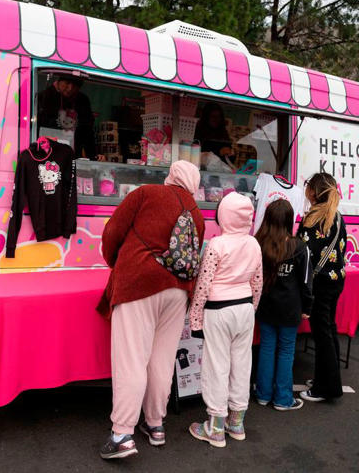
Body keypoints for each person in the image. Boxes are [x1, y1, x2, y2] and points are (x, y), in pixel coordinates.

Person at [97, 160, 205, 459]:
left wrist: (120, 264)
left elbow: (112, 235)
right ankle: (156, 425)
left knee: (131, 358)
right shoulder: (197, 214)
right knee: (162, 359)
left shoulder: (145, 194)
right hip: (178, 291)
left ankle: (122, 434)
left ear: (171, 176)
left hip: (138, 285)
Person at [186, 192, 263, 447]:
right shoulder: (254, 244)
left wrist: (195, 319)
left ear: (223, 216)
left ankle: (216, 427)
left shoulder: (217, 245)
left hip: (218, 310)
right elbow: (257, 282)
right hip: (244, 310)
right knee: (242, 365)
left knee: (217, 366)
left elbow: (204, 285)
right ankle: (237, 423)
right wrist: (251, 308)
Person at [255, 199, 314, 411]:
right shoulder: (299, 247)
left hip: (264, 306)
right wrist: (307, 308)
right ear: (290, 220)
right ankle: (282, 399)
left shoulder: (258, 242)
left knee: (267, 347)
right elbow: (307, 281)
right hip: (290, 308)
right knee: (286, 350)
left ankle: (263, 394)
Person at [298, 172, 347, 402]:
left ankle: (325, 387)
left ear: (314, 192)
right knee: (329, 330)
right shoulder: (336, 216)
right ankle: (327, 379)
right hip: (335, 280)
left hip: (319, 284)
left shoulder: (312, 219)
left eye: (308, 185)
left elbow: (303, 254)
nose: (306, 189)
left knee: (323, 333)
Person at [36, 75, 104, 161]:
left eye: (75, 86)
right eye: (67, 83)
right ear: (59, 81)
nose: (70, 88)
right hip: (46, 155)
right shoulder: (44, 97)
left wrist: (93, 155)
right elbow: (36, 127)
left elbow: (87, 130)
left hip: (72, 157)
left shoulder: (82, 100)